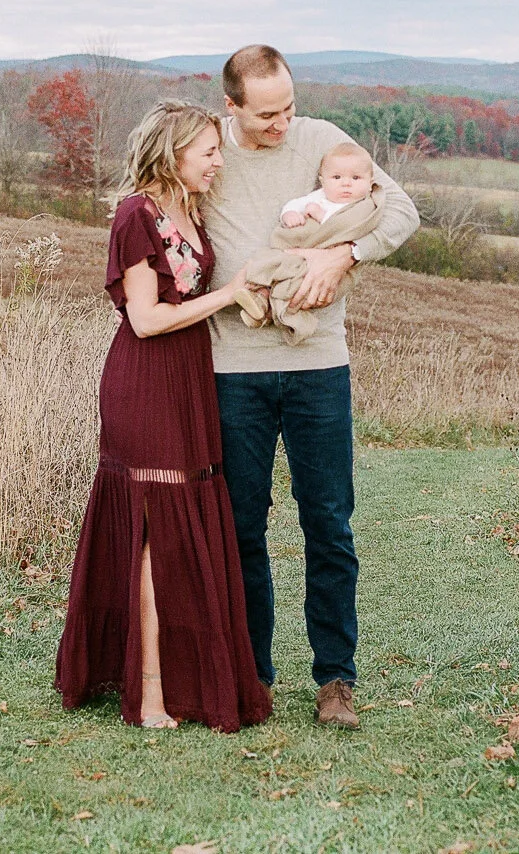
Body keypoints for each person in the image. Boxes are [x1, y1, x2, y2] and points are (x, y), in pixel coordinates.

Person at [204, 46, 419, 728]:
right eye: (267, 113)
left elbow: (401, 210)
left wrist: (343, 252)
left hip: (318, 364)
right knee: (241, 527)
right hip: (232, 368)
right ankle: (252, 676)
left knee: (327, 521)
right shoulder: (209, 154)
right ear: (231, 106)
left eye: (289, 106)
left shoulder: (325, 142)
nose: (283, 123)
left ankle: (335, 681)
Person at [54, 101, 272, 733]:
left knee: (184, 523)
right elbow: (145, 320)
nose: (218, 161)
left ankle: (188, 680)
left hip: (189, 382)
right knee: (152, 528)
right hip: (145, 383)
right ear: (173, 151)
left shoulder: (188, 211)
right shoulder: (135, 216)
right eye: (208, 151)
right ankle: (148, 693)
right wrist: (228, 296)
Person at [236, 141, 386, 345]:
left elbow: (344, 227)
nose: (346, 183)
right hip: (299, 247)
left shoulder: (364, 206)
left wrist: (319, 215)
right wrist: (289, 214)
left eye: (356, 178)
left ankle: (277, 312)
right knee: (276, 262)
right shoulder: (320, 196)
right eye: (337, 177)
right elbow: (297, 204)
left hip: (328, 258)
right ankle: (261, 301)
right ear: (322, 181)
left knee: (303, 283)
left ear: (371, 182)